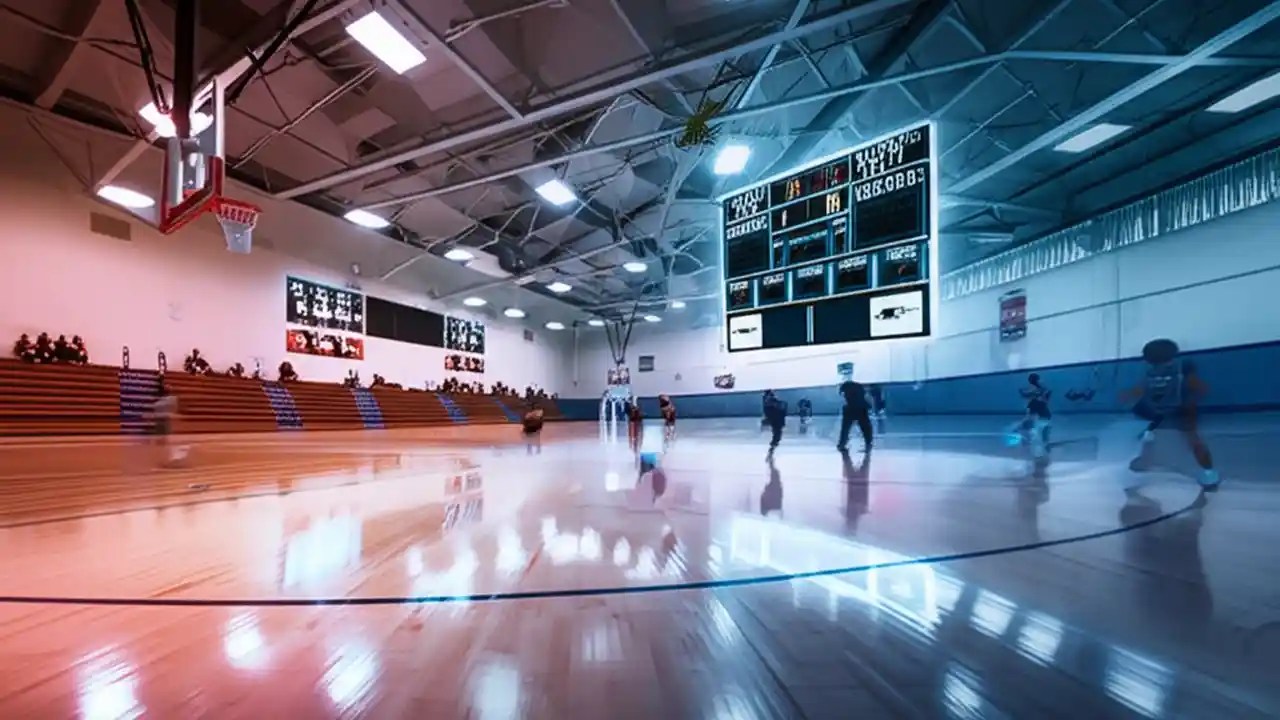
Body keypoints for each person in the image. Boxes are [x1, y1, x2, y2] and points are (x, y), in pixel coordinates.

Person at [1124, 339, 1218, 489]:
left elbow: (1199, 387)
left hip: (1182, 408)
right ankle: (1145, 461)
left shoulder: (1183, 367)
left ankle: (1209, 473)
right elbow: (1143, 389)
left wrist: (1192, 400)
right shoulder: (1150, 370)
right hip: (1161, 409)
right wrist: (1132, 395)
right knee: (1149, 435)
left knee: (1192, 438)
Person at [1009, 373, 1052, 459]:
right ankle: (1043, 446)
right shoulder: (1039, 391)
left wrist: (1023, 393)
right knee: (1041, 431)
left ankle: (1032, 445)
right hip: (1044, 415)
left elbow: (1031, 394)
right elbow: (1037, 394)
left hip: (1042, 415)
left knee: (1029, 429)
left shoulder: (1036, 395)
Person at [837, 375, 872, 452]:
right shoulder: (859, 387)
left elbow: (841, 394)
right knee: (865, 428)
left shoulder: (845, 386)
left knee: (845, 428)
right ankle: (868, 444)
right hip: (861, 408)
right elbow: (864, 396)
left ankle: (842, 444)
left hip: (851, 408)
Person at [763, 390, 787, 454]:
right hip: (776, 419)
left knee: (776, 431)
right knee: (777, 431)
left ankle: (774, 443)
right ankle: (774, 443)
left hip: (775, 419)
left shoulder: (768, 401)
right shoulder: (770, 401)